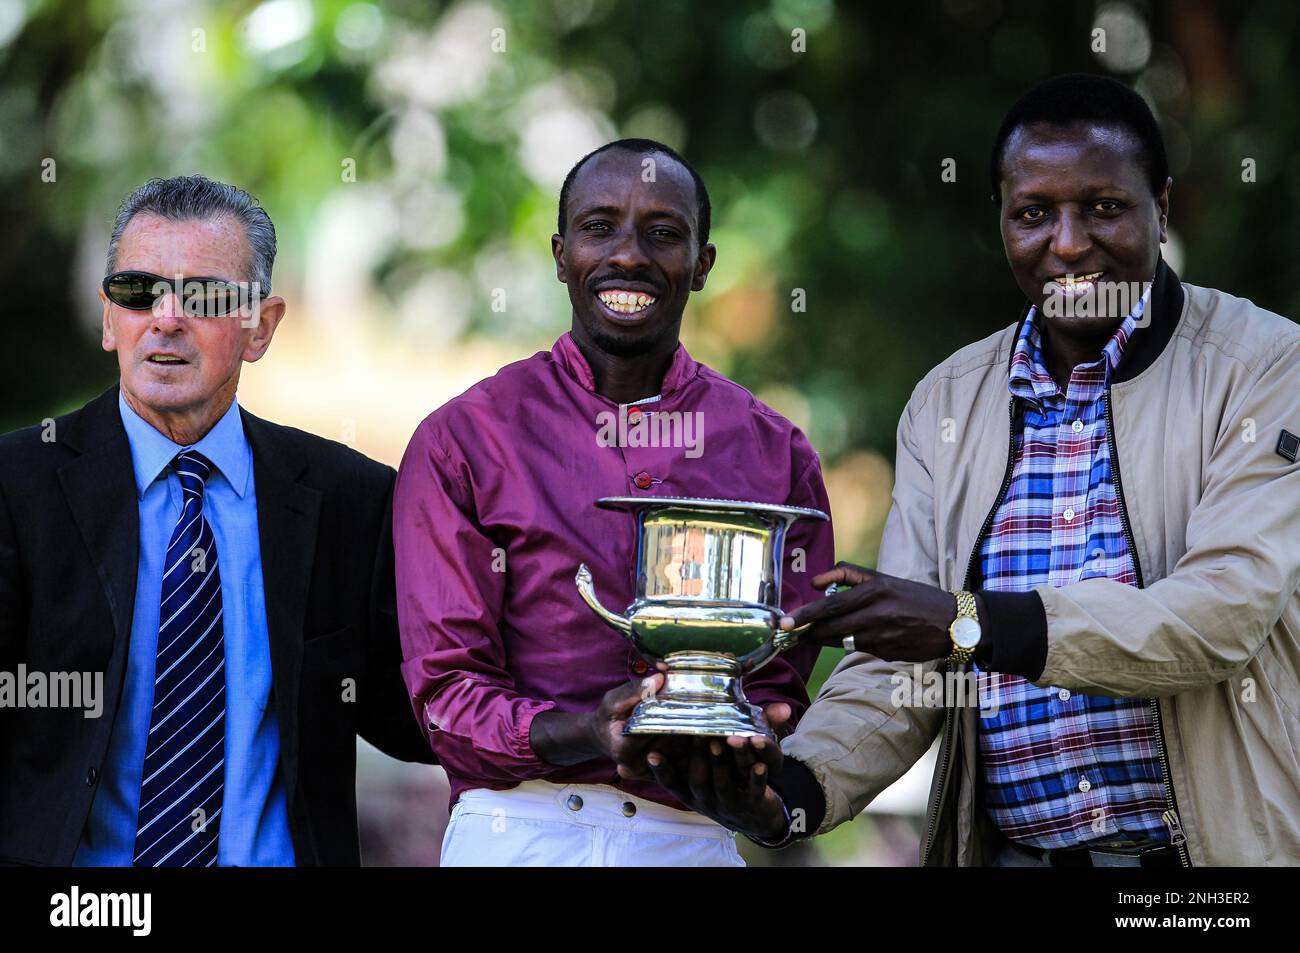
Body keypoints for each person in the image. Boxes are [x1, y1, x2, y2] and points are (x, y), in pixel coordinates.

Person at [647, 75, 1300, 867]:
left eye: (1103, 207)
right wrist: (790, 790)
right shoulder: (946, 401)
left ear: (1161, 204)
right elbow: (901, 669)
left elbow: (1217, 617)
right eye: (1033, 213)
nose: (1066, 243)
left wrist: (970, 625)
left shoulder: (1266, 365)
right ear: (1001, 219)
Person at [394, 139, 835, 866]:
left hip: (690, 836)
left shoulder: (775, 452)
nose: (629, 256)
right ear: (561, 254)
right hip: (518, 827)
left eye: (663, 233)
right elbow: (446, 695)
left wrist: (749, 738)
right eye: (601, 228)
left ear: (702, 264)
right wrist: (586, 732)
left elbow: (781, 672)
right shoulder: (465, 440)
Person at [0, 175, 431, 867]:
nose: (166, 317)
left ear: (260, 325)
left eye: (202, 295)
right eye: (138, 291)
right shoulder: (17, 488)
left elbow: (413, 713)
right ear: (110, 317)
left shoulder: (349, 498)